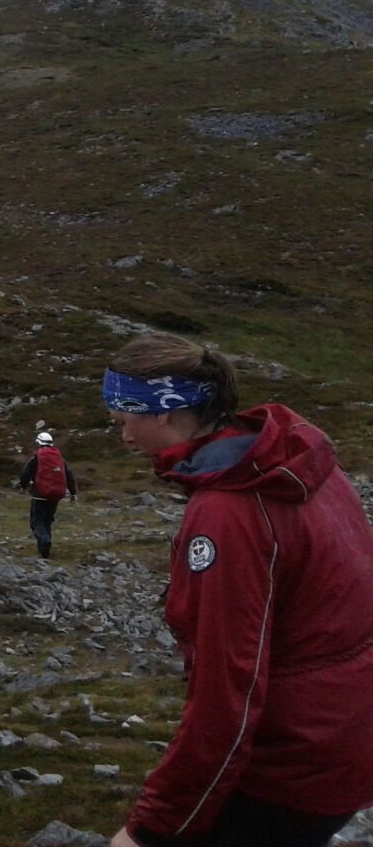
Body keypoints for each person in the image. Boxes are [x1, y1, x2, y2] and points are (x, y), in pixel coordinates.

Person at [101, 332, 373, 847]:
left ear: (165, 413)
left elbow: (227, 693)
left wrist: (153, 828)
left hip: (287, 770)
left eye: (124, 421)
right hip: (344, 743)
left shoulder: (227, 513)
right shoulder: (294, 461)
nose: (125, 438)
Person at [15, 431, 76, 559]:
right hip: (56, 495)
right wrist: (73, 492)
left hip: (39, 494)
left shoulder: (37, 457)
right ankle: (44, 553)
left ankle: (44, 541)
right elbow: (68, 474)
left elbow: (26, 473)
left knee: (36, 522)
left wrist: (23, 486)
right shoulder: (59, 458)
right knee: (47, 521)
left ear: (38, 443)